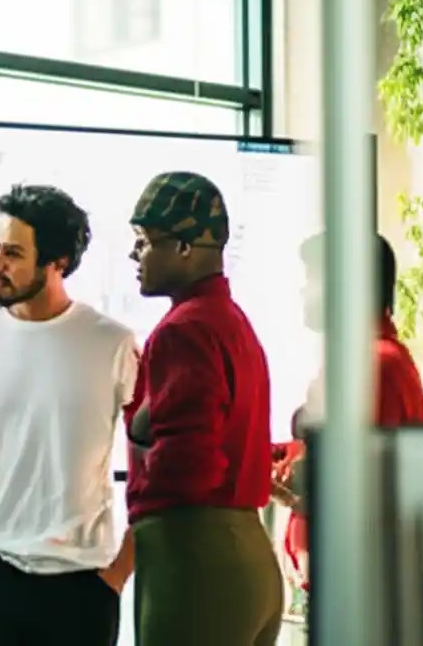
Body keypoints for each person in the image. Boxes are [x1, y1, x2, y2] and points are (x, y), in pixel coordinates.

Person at [0, 184, 139, 646]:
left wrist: (118, 574)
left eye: (13, 253)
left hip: (83, 586)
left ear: (57, 263)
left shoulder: (112, 343)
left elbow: (152, 466)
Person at [124, 171, 283, 646]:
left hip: (195, 559)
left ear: (184, 248)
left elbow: (187, 466)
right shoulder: (233, 323)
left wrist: (139, 435)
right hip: (250, 554)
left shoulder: (183, 330)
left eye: (144, 242)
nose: (134, 255)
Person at [272, 232, 423, 589]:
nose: (303, 291)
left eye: (312, 279)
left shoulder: (373, 366)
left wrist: (300, 479)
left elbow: (357, 488)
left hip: (356, 590)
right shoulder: (364, 361)